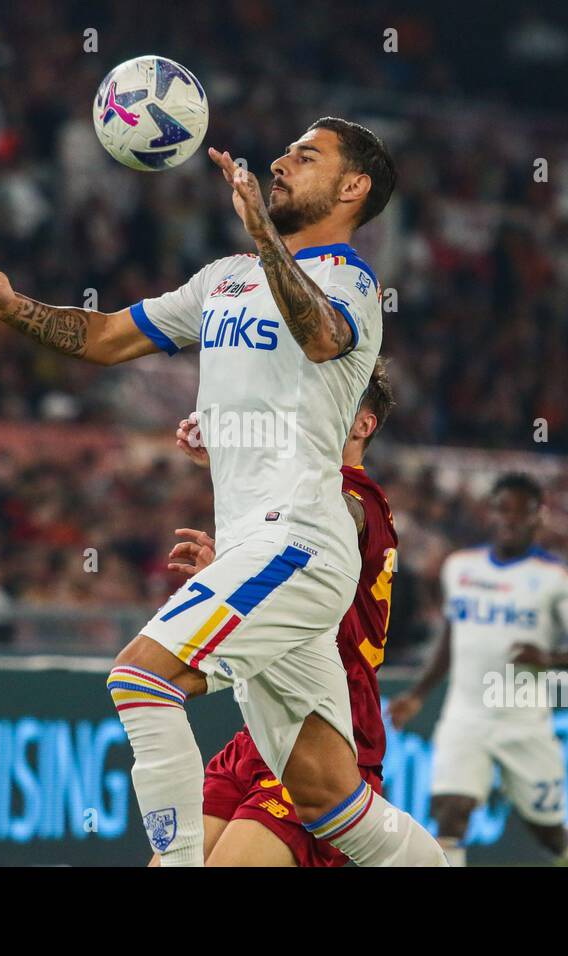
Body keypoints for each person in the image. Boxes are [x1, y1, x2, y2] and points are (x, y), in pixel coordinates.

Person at [0, 117, 445, 866]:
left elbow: (322, 338)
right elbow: (106, 338)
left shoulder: (351, 283)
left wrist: (268, 238)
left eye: (307, 155)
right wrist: (14, 307)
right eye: (287, 150)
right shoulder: (222, 280)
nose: (280, 160)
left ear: (353, 188)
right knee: (334, 806)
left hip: (298, 536)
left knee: (142, 678)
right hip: (258, 546)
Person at [151, 358, 397, 866]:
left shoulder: (354, 501)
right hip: (264, 724)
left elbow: (309, 539)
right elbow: (286, 566)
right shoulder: (307, 499)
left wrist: (236, 453)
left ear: (362, 424)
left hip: (326, 727)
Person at [390, 473, 568, 866]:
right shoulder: (461, 568)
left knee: (549, 831)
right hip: (465, 715)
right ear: (491, 513)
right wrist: (418, 694)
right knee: (451, 812)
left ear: (539, 518)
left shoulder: (558, 579)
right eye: (503, 509)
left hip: (523, 721)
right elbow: (451, 642)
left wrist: (551, 659)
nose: (510, 520)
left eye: (522, 513)